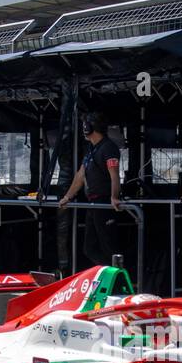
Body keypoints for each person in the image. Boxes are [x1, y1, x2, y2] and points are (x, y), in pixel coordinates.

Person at [57, 112, 121, 268]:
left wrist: (114, 197)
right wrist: (68, 197)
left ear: (90, 128)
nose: (83, 129)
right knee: (89, 248)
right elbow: (80, 175)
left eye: (85, 125)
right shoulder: (91, 149)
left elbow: (115, 175)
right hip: (92, 203)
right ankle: (110, 275)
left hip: (104, 203)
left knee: (108, 246)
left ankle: (118, 279)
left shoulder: (109, 148)